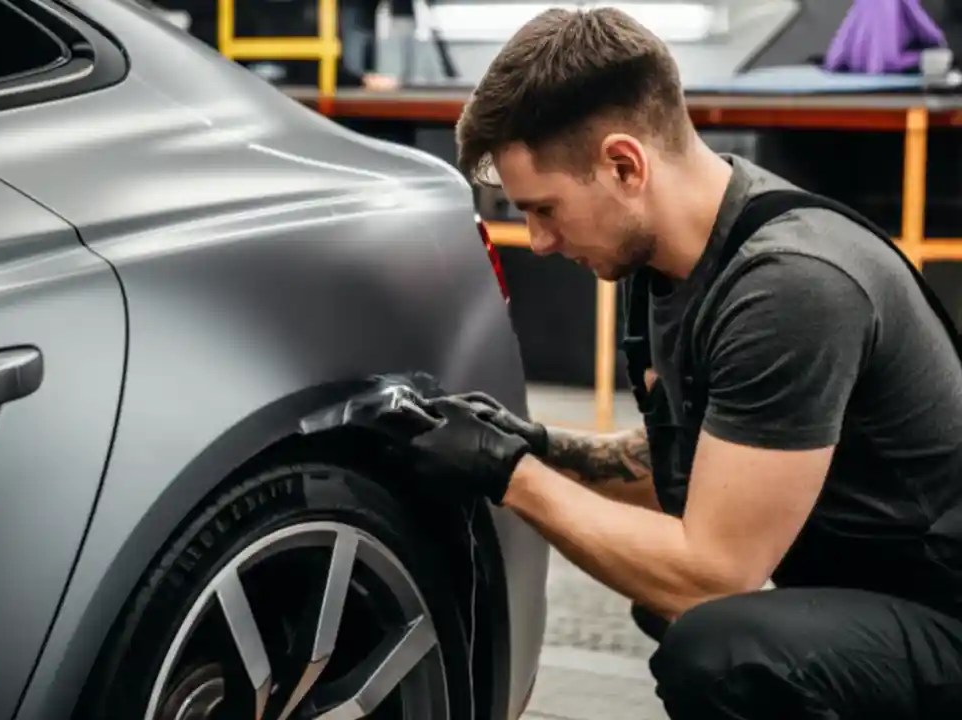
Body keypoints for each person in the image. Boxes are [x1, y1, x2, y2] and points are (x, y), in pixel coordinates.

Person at [380, 7, 962, 719]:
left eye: (545, 209)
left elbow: (713, 575)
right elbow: (691, 464)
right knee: (665, 601)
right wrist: (537, 445)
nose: (537, 240)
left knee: (718, 646)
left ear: (625, 165)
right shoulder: (666, 261)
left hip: (945, 612)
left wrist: (512, 477)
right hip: (875, 589)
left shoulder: (790, 286)